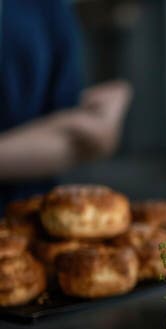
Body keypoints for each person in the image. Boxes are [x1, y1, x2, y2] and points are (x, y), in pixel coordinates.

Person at [0, 0, 132, 208]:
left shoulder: (46, 9)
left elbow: (73, 142)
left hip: (28, 218)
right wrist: (66, 122)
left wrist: (76, 124)